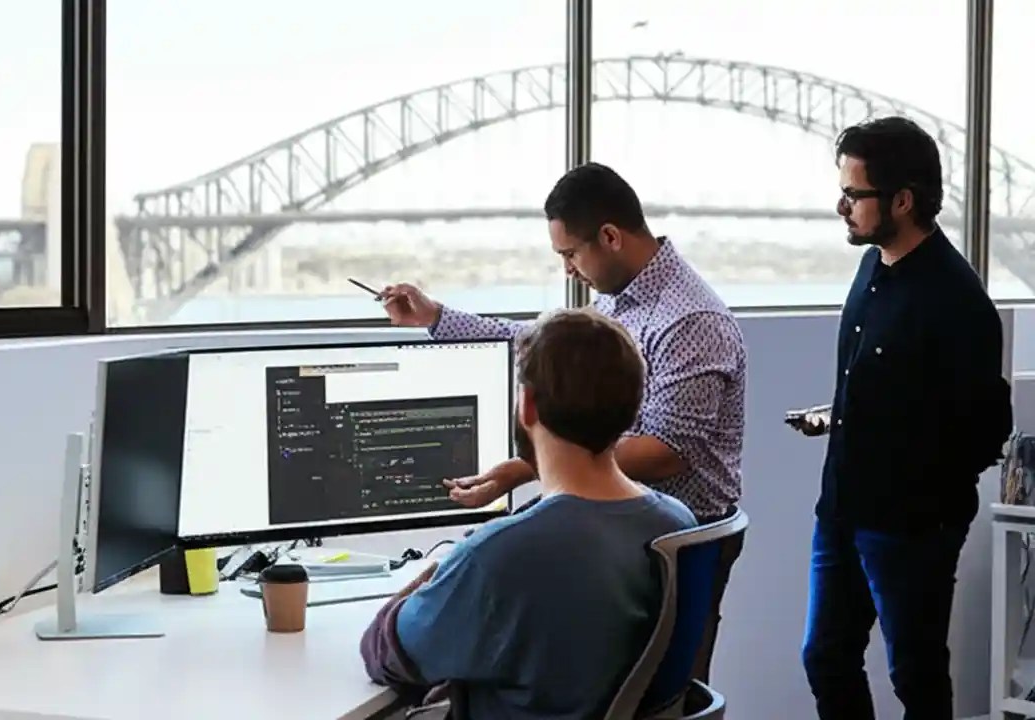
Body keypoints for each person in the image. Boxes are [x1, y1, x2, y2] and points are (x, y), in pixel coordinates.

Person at [377, 162, 747, 681]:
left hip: (672, 539)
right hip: (624, 521)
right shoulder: (625, 298)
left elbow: (664, 452)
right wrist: (437, 318)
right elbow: (549, 348)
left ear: (610, 237)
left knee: (643, 690)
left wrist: (535, 465)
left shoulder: (687, 319)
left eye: (570, 254)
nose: (568, 270)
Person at [359, 308, 696, 718]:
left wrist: (444, 570)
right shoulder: (676, 523)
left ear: (528, 405)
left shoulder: (501, 555)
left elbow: (386, 654)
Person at [788, 115, 1013, 720]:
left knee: (914, 674)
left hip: (909, 526)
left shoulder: (957, 299)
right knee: (825, 657)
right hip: (841, 508)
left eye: (854, 194)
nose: (841, 206)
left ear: (903, 200)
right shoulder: (873, 268)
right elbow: (891, 390)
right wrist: (839, 418)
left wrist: (916, 486)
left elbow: (984, 430)